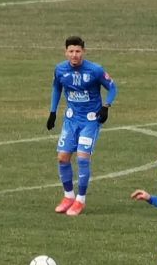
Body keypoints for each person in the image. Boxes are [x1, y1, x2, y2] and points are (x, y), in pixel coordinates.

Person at [46, 36, 116, 216]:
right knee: (62, 158)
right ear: (65, 52)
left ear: (83, 52)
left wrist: (106, 106)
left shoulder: (95, 70)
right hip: (71, 120)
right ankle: (68, 196)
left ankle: (80, 200)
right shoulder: (60, 69)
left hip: (90, 121)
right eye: (71, 51)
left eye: (78, 51)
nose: (74, 55)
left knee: (83, 158)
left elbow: (112, 87)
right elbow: (56, 88)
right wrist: (53, 112)